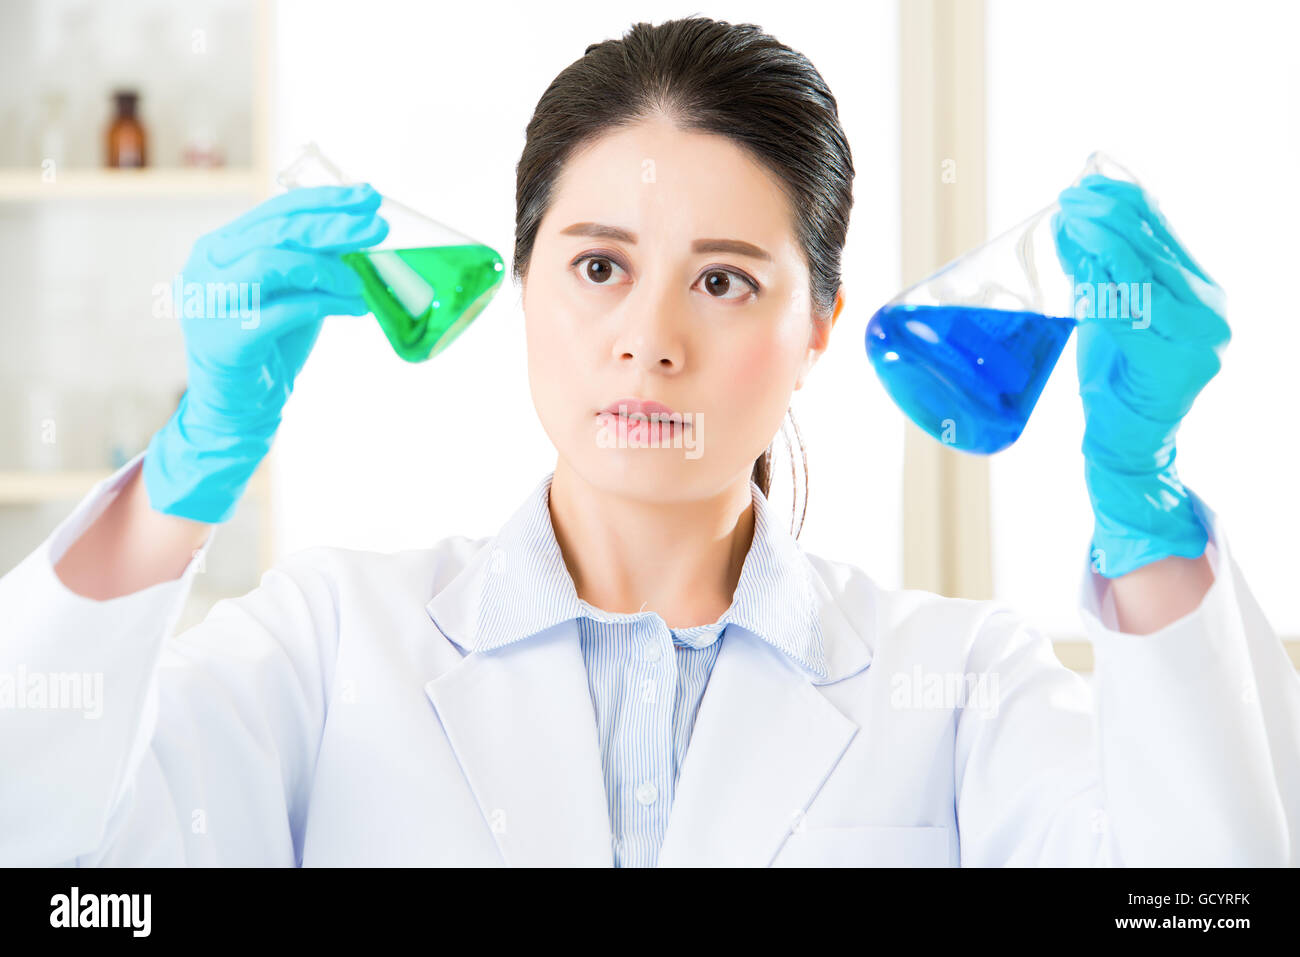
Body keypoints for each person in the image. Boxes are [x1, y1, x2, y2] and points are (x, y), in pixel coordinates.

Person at [2, 16, 1297, 868]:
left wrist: (1142, 501)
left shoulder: (959, 685)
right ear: (520, 282)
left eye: (725, 280)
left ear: (822, 324)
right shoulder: (327, 646)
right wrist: (184, 475)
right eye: (600, 265)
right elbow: (51, 861)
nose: (648, 340)